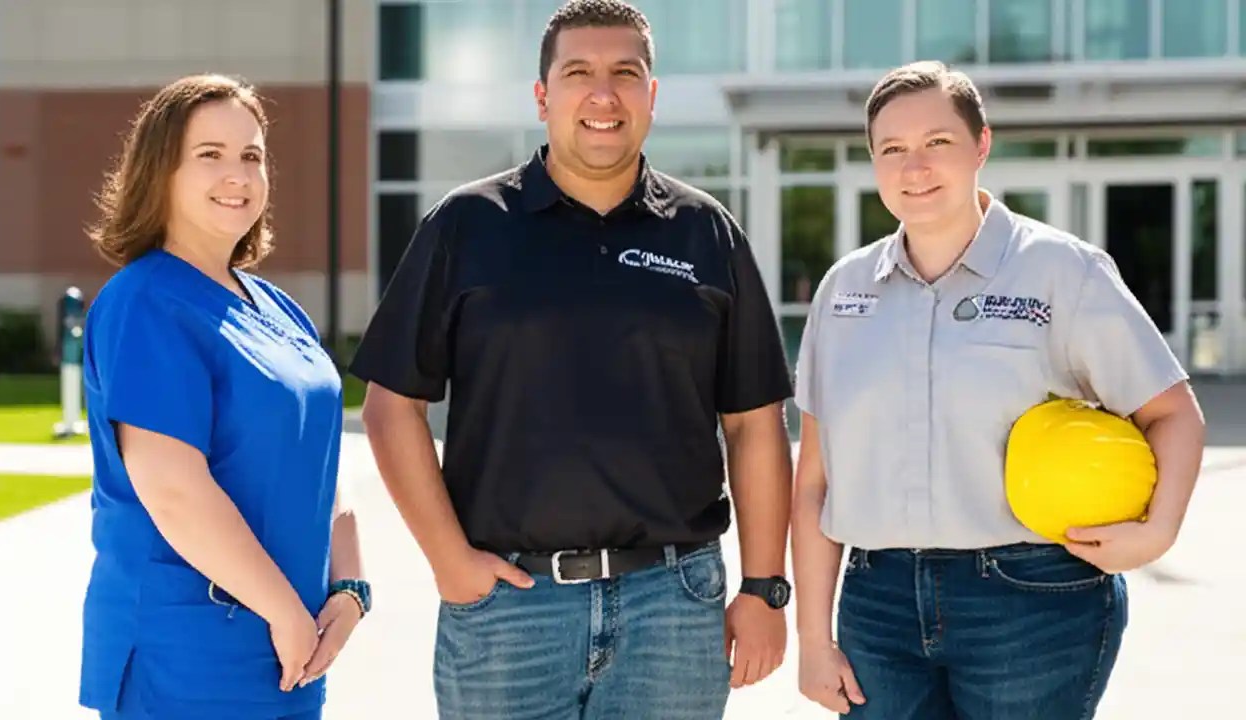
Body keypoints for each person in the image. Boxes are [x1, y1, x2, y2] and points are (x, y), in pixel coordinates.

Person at [348, 1, 794, 717]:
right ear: (543, 95)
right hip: (509, 609)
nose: (603, 94)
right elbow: (391, 404)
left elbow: (754, 424)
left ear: (652, 94)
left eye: (626, 73)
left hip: (674, 609)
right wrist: (451, 564)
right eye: (579, 72)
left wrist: (765, 587)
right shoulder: (467, 225)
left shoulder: (707, 232)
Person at [791, 60, 1206, 719]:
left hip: (1031, 599)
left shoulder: (1061, 271)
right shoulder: (844, 291)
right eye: (891, 149)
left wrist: (1158, 532)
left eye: (937, 143)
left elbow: (1173, 413)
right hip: (877, 605)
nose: (914, 167)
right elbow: (814, 479)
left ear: (981, 145)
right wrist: (812, 637)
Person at [78, 74, 371, 720]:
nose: (237, 174)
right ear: (161, 172)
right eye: (209, 154)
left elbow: (317, 458)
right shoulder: (145, 302)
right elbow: (173, 489)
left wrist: (348, 588)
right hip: (187, 653)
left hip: (289, 646)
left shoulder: (277, 307)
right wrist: (284, 610)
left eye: (252, 155)